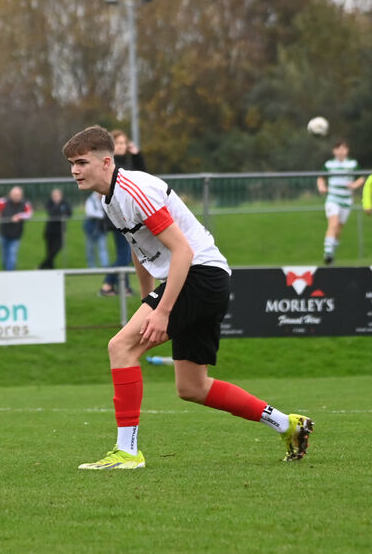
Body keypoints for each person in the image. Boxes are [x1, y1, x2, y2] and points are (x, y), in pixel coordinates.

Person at [63, 125, 312, 470]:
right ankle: (288, 425)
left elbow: (183, 251)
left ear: (106, 162)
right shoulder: (110, 197)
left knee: (121, 348)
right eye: (72, 164)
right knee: (192, 387)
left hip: (199, 276)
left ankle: (127, 452)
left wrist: (162, 310)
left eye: (81, 163)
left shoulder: (134, 190)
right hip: (205, 279)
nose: (74, 171)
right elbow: (140, 248)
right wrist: (148, 299)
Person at [101, 131, 142, 295]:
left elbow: (143, 176)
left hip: (130, 216)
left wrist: (137, 155)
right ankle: (108, 285)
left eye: (123, 143)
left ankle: (123, 287)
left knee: (127, 254)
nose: (121, 146)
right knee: (125, 256)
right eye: (118, 143)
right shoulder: (110, 164)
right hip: (118, 217)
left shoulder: (128, 163)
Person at [317, 140, 364, 265]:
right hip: (333, 198)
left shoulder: (352, 164)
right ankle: (327, 252)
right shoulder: (329, 164)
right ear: (334, 151)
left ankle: (332, 252)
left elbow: (361, 178)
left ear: (347, 151)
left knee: (338, 229)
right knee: (333, 224)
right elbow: (321, 177)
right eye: (338, 149)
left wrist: (354, 185)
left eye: (343, 149)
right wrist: (321, 186)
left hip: (346, 200)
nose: (341, 151)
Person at [0, 186, 33, 271]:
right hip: (4, 233)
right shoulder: (3, 202)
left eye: (18, 195)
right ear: (10, 194)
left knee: (12, 255)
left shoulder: (25, 204)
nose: (16, 197)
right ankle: (6, 272)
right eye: (15, 195)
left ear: (21, 195)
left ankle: (10, 274)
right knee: (4, 256)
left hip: (16, 234)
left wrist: (19, 216)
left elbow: (29, 214)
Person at [38, 187, 72, 270]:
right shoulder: (50, 203)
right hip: (50, 230)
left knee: (57, 248)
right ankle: (50, 268)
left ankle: (42, 265)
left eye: (57, 195)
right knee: (49, 250)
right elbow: (52, 213)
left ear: (61, 196)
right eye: (54, 196)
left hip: (60, 230)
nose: (55, 197)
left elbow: (69, 213)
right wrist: (60, 212)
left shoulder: (64, 203)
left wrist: (61, 213)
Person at [83, 193, 110, 271]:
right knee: (90, 249)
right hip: (91, 229)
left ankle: (105, 266)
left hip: (101, 228)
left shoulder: (104, 199)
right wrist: (101, 215)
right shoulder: (90, 200)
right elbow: (90, 213)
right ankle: (92, 268)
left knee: (103, 248)